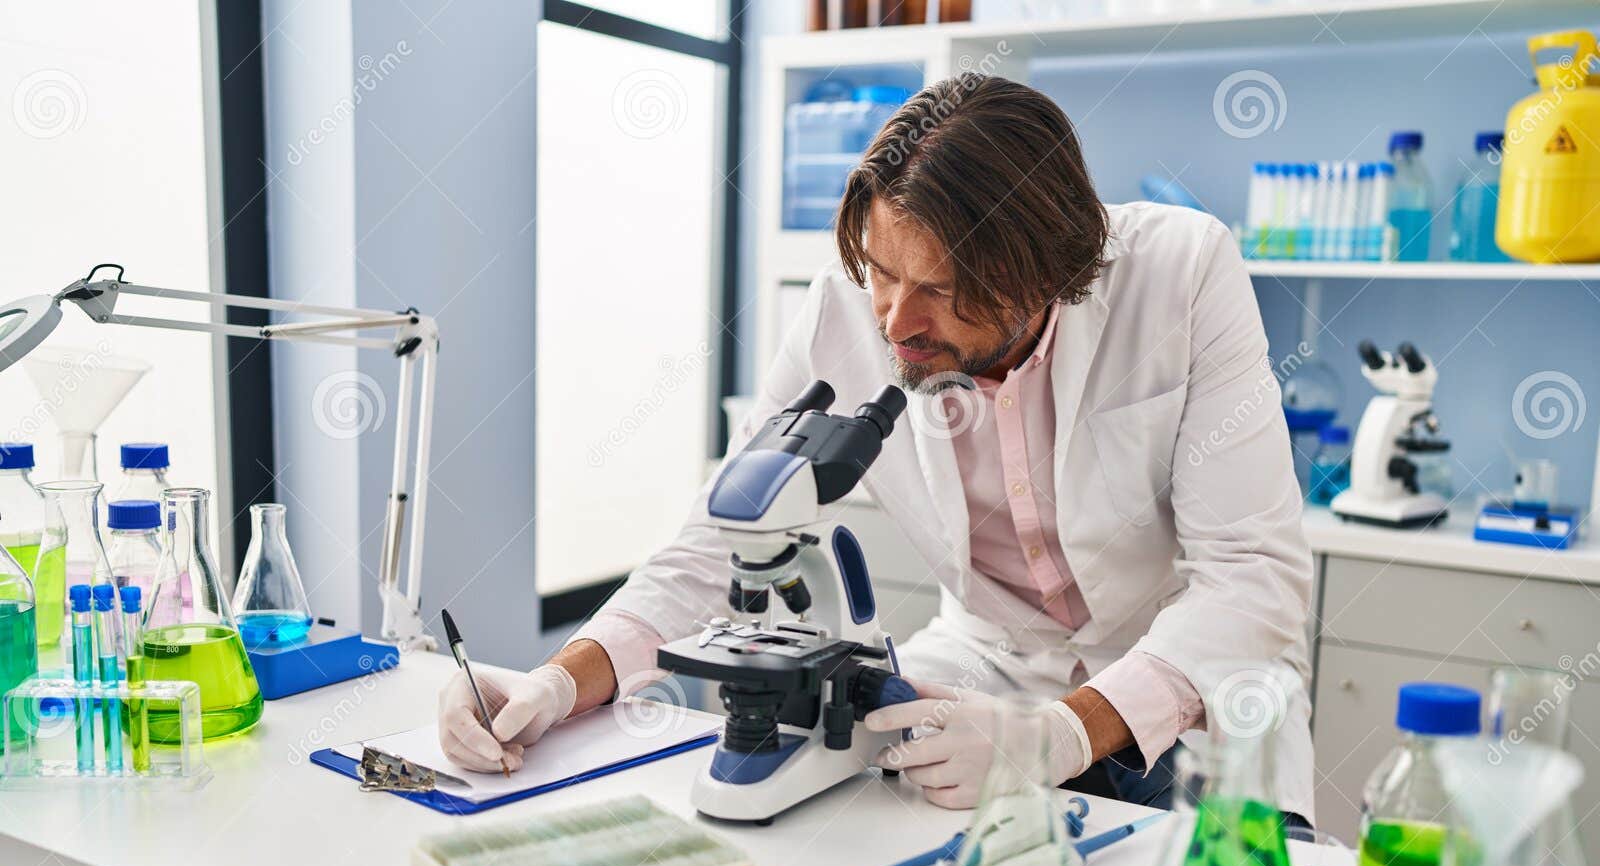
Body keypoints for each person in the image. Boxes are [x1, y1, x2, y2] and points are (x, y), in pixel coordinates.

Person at [439, 73, 1316, 822]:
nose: (895, 322)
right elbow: (716, 540)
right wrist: (556, 683)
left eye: (937, 289)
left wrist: (1066, 733)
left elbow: (1252, 575)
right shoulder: (843, 309)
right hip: (988, 665)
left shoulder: (1183, 274)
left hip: (1196, 680)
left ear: (1044, 271)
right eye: (882, 272)